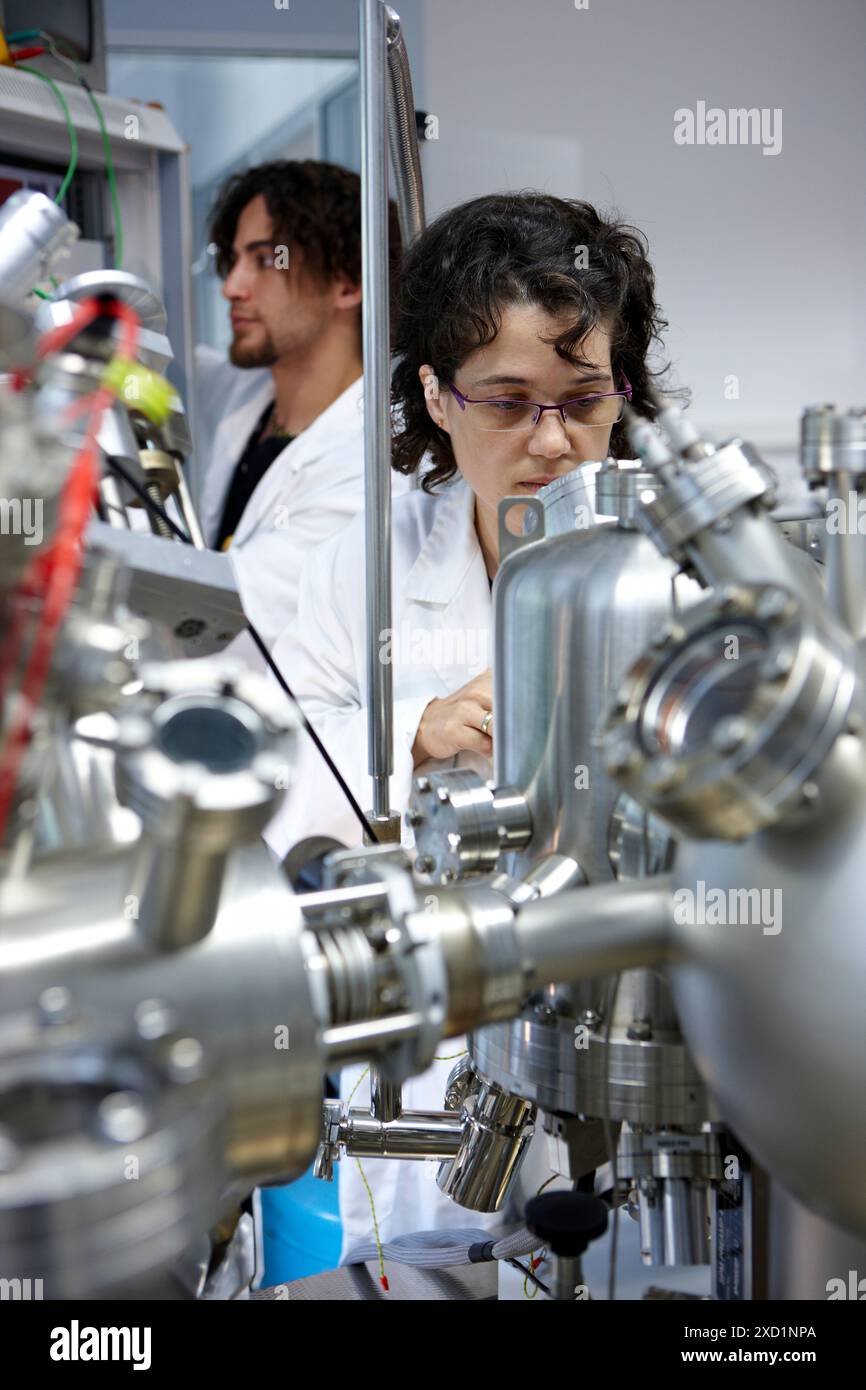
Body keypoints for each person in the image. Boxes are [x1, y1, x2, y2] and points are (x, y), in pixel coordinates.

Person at [266, 191, 673, 1259]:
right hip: (428, 1046)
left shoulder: (678, 579)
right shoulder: (361, 570)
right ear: (435, 397)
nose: (552, 441)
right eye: (507, 401)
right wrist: (407, 738)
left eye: (584, 398)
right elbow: (271, 788)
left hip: (627, 1049)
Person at [193, 159, 405, 654]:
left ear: (349, 284)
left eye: (266, 260)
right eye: (234, 258)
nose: (232, 287)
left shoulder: (379, 463)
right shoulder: (243, 393)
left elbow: (228, 612)